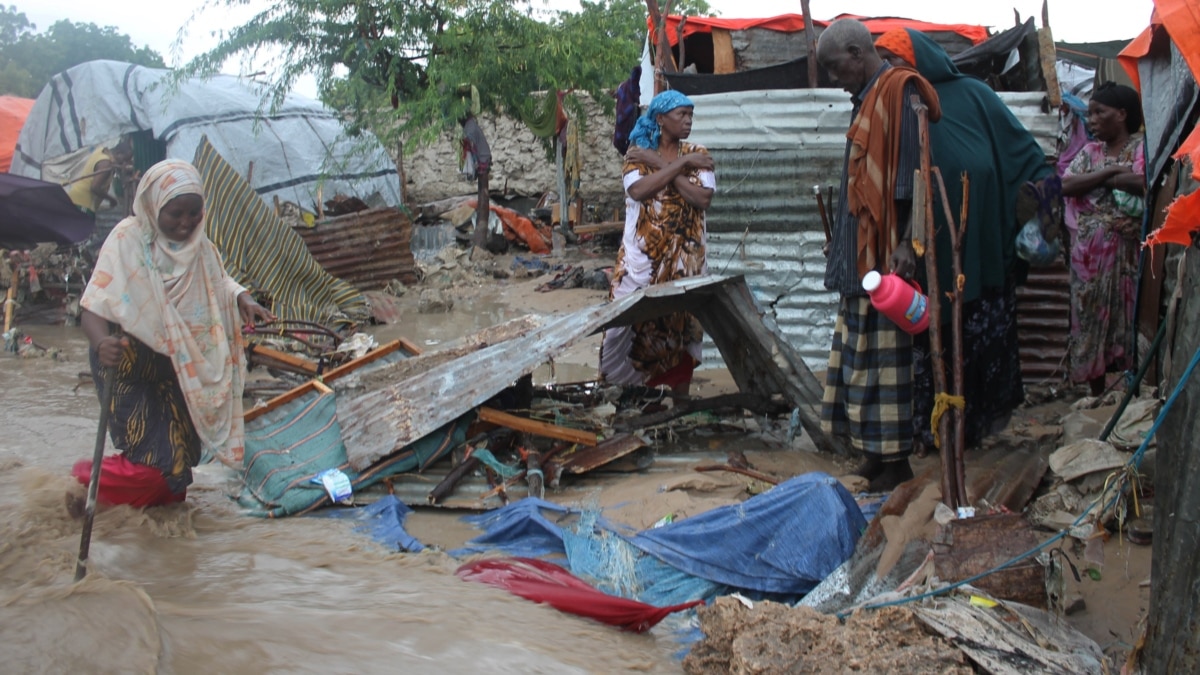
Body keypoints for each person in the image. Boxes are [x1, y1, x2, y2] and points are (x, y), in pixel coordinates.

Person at [874, 28, 1053, 453]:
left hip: (981, 239)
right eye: (883, 61)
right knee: (930, 338)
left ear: (919, 61)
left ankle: (975, 429)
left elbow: (1022, 154)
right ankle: (932, 428)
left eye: (895, 59)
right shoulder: (896, 105)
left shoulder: (974, 95)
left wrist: (1041, 200)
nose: (888, 69)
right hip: (925, 244)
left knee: (981, 337)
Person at [73, 159, 275, 509]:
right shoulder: (127, 239)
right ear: (154, 207)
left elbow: (218, 282)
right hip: (126, 360)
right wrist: (100, 341)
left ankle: (149, 526)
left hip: (175, 364)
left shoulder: (200, 246)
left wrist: (242, 298)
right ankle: (82, 484)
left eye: (194, 213)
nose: (185, 223)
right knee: (153, 459)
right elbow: (94, 303)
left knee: (182, 461)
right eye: (175, 213)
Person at [816, 19, 940, 491]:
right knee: (858, 361)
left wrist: (909, 242)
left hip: (887, 253)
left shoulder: (899, 95)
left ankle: (896, 464)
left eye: (834, 67)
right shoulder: (866, 99)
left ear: (856, 51)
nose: (832, 78)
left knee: (886, 364)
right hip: (859, 253)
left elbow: (916, 173)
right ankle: (874, 455)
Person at [599, 90, 715, 397]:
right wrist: (681, 166)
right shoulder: (637, 154)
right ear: (661, 119)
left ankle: (679, 403)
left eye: (691, 115)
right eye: (681, 115)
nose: (688, 121)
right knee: (623, 327)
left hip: (685, 262)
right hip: (640, 263)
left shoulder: (698, 152)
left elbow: (702, 198)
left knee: (681, 329)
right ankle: (621, 396)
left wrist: (670, 164)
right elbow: (638, 190)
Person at [1061, 82, 1145, 396]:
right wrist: (1110, 173)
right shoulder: (1090, 151)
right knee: (1087, 319)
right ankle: (1095, 392)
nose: (1092, 119)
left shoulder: (1140, 147)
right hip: (1087, 259)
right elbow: (1067, 185)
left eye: (1100, 112)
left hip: (1125, 255)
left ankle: (1126, 392)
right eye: (1090, 113)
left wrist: (1101, 178)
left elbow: (1142, 181)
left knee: (1125, 320)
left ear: (1122, 114)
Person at [64, 137, 133, 214]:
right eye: (125, 159)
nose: (125, 163)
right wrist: (111, 199)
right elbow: (95, 187)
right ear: (118, 153)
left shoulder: (101, 152)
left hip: (74, 197)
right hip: (83, 202)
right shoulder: (106, 164)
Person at [460, 113, 493, 248]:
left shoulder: (470, 128)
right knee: (482, 196)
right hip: (483, 159)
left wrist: (473, 164)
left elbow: (471, 146)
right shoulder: (471, 126)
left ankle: (480, 239)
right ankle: (480, 236)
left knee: (483, 197)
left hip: (482, 160)